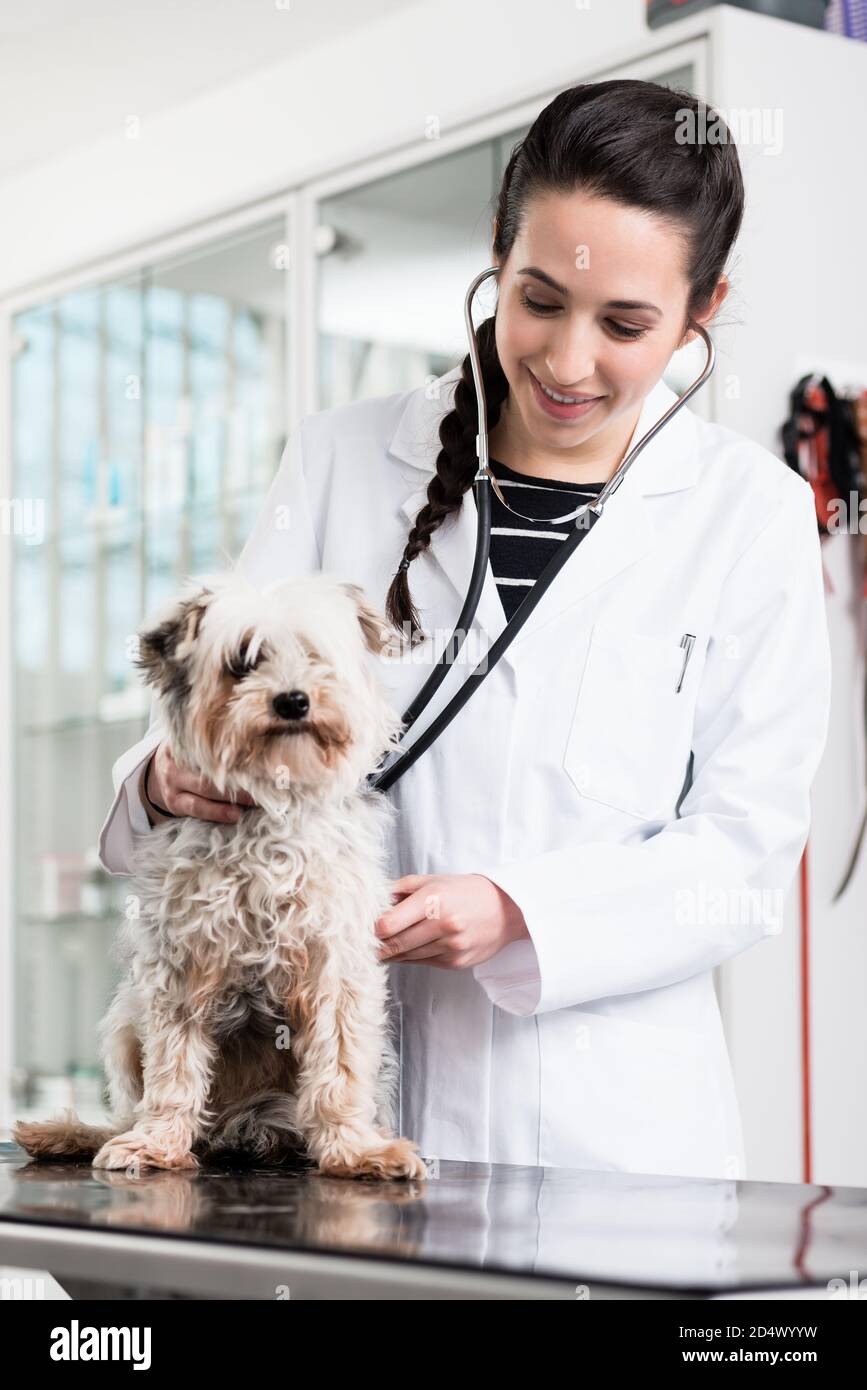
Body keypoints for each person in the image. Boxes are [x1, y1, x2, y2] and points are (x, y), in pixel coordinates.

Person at [98, 80, 832, 1181]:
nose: (568, 362)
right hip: (333, 1124)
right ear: (495, 250)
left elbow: (745, 849)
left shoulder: (753, 514)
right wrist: (160, 781)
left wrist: (520, 912)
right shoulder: (343, 456)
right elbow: (218, 702)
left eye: (627, 324)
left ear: (703, 310)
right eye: (537, 299)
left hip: (615, 1137)